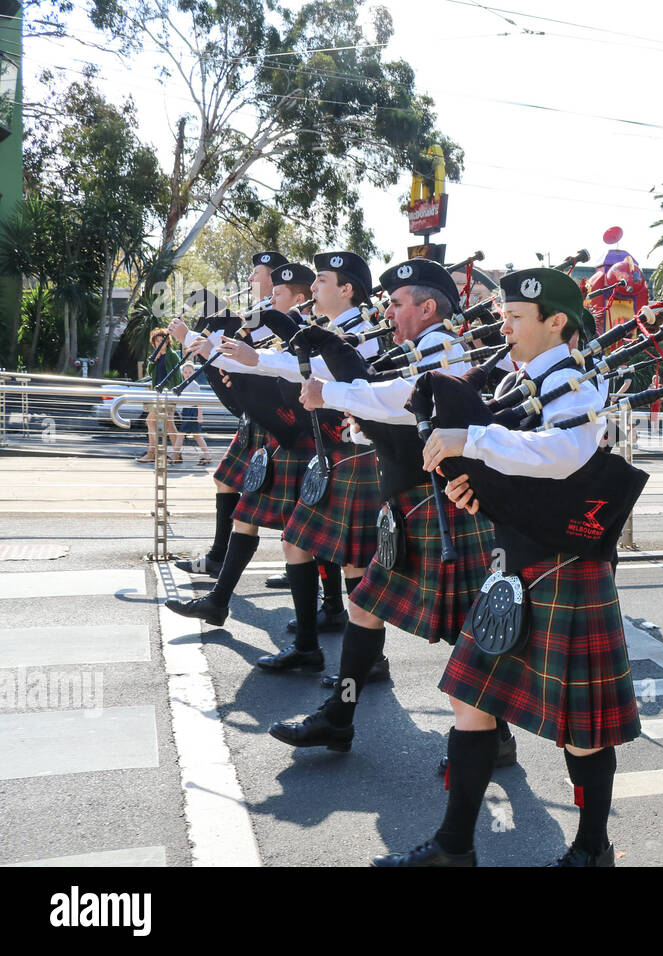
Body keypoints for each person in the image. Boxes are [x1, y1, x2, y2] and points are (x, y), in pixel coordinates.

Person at [373, 268, 639, 867]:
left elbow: (564, 455)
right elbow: (518, 465)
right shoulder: (524, 379)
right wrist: (481, 490)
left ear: (557, 323)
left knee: (581, 726)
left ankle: (593, 848)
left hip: (566, 565)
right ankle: (454, 846)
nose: (504, 325)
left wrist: (475, 442)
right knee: (470, 701)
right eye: (506, 314)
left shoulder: (569, 380)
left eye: (517, 317)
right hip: (517, 557)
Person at [267, 257, 510, 766]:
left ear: (425, 307)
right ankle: (341, 715)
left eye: (397, 303)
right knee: (364, 607)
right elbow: (384, 401)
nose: (389, 311)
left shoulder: (446, 347)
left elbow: (406, 399)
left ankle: (496, 736)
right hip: (411, 504)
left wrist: (331, 391)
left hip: (443, 507)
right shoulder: (419, 347)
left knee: (469, 628)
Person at [212, 253, 385, 671]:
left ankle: (369, 659)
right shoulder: (330, 328)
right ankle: (310, 644)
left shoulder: (367, 332)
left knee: (353, 556)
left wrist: (258, 361)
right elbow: (301, 368)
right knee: (297, 540)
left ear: (346, 290)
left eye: (322, 281)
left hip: (351, 447)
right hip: (323, 443)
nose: (315, 290)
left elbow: (320, 368)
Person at [174, 250, 283, 576]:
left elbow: (242, 349)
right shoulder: (257, 312)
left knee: (294, 503)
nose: (250, 279)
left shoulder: (279, 315)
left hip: (278, 419)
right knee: (226, 481)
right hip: (256, 417)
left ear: (275, 278)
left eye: (256, 273)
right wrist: (212, 316)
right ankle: (219, 557)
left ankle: (316, 584)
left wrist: (196, 334)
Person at [137, 328, 183, 464]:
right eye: (157, 341)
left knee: (153, 421)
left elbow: (178, 378)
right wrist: (153, 361)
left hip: (167, 395)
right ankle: (176, 454)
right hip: (158, 394)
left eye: (162, 341)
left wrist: (173, 396)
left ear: (167, 342)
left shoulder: (172, 355)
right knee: (168, 423)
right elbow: (150, 373)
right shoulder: (157, 356)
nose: (159, 344)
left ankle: (153, 453)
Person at [174, 362, 213, 465]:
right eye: (186, 372)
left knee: (181, 434)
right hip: (186, 411)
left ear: (194, 373)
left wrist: (200, 415)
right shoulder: (184, 384)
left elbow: (199, 401)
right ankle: (207, 456)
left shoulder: (194, 385)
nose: (188, 374)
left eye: (190, 372)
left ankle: (174, 455)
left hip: (193, 411)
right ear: (182, 373)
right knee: (196, 436)